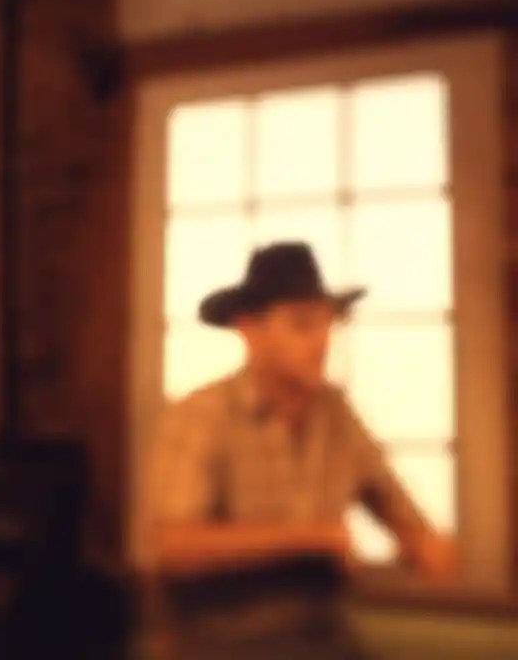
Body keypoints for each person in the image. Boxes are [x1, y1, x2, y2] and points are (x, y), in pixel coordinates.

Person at [143, 242, 458, 580]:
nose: (322, 341)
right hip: (223, 623)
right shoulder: (202, 415)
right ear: (251, 330)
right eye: (303, 325)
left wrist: (432, 550)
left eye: (327, 325)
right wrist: (310, 540)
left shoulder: (335, 413)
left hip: (324, 621)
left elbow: (404, 519)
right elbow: (171, 546)